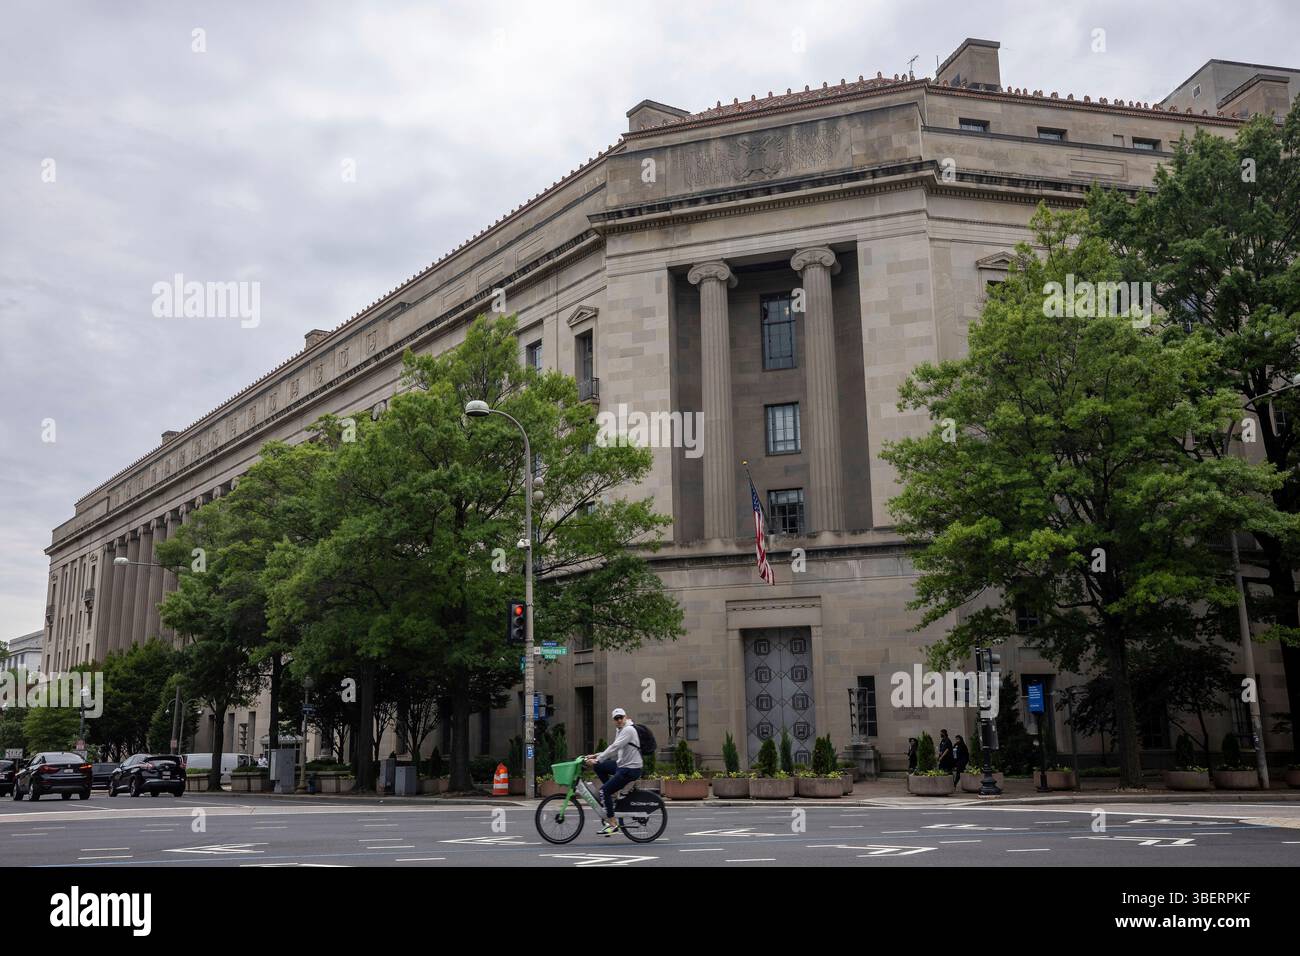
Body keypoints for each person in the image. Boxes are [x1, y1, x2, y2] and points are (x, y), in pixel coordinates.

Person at [583, 707, 643, 836]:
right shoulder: (620, 730)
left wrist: (598, 759)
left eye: (621, 717)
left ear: (625, 717)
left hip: (630, 769)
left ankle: (613, 824)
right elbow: (614, 748)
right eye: (616, 718)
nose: (619, 720)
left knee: (604, 790)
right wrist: (595, 756)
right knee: (600, 767)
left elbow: (614, 747)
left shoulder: (628, 730)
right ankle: (613, 793)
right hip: (623, 765)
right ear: (614, 720)